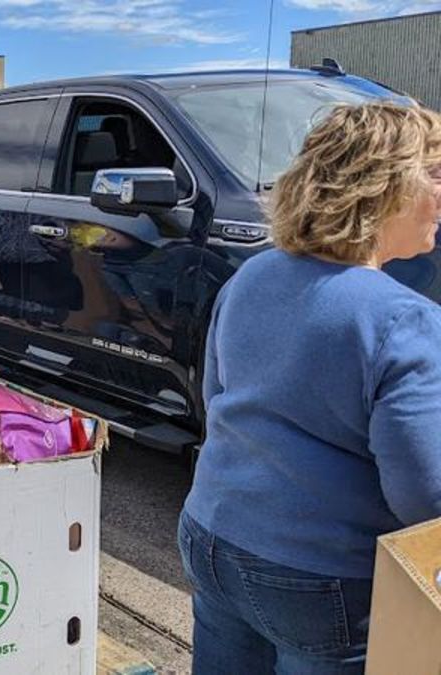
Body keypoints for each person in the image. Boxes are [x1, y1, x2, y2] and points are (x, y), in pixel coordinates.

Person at [179, 102, 441, 673]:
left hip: (211, 534)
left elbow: (216, 399)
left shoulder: (253, 274)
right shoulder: (403, 319)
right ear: (386, 188)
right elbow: (425, 495)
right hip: (319, 579)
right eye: (437, 175)